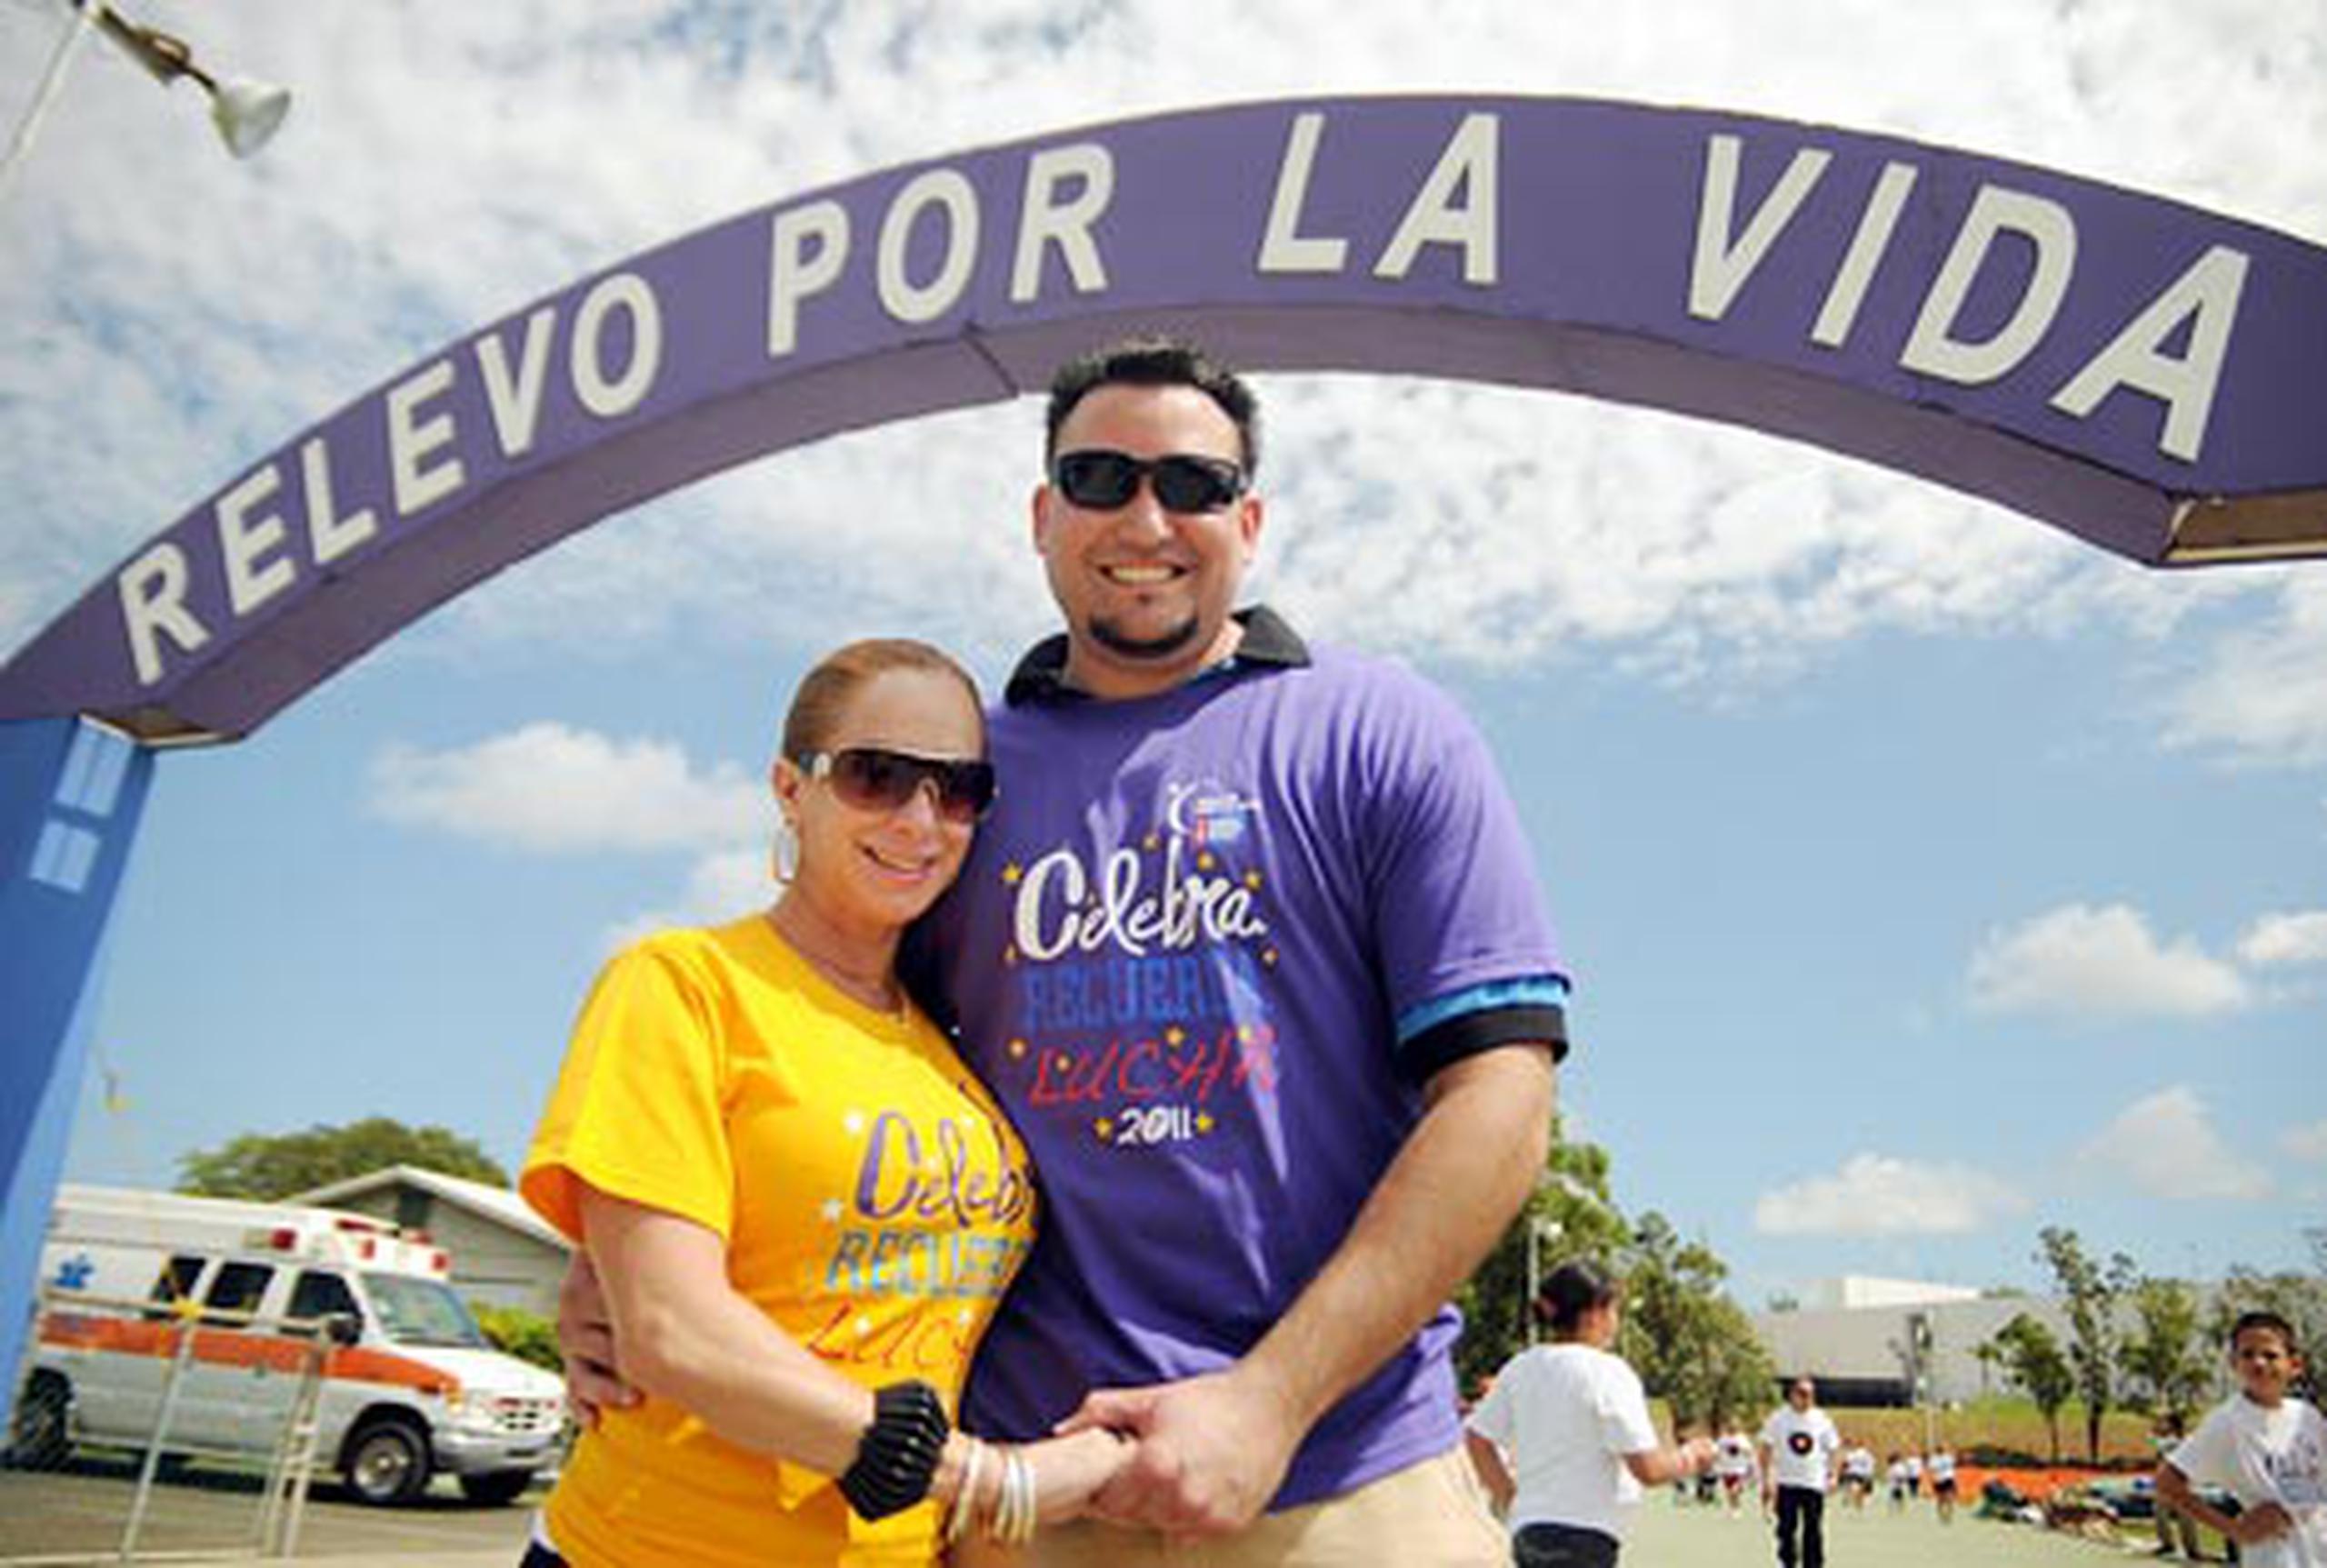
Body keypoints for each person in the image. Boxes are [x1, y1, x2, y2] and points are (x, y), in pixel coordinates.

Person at [563, 337, 1570, 1566]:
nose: (1145, 516)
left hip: (1346, 1471)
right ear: (1043, 516)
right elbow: (802, 1046)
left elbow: (1503, 1095)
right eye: (1100, 478)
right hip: (1030, 1496)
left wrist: (1268, 1400)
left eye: (1192, 485)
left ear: (1248, 521)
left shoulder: (1382, 732)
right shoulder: (952, 777)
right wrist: (621, 1259)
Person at [518, 639, 1129, 1566]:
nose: (920, 822)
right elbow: (670, 1330)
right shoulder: (683, 986)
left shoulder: (952, 1055)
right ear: (790, 789)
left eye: (956, 790)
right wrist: (992, 1481)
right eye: (876, 776)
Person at [1463, 1261, 1717, 1566]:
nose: (1616, 1321)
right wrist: (1691, 1456)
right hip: (1586, 1535)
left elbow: (1477, 1439)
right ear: (1594, 1314)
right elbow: (1649, 1469)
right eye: (1614, 1311)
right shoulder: (1608, 1373)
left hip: (1528, 1531)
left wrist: (1510, 1497)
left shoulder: (1520, 1367)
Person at [2157, 1311, 2327, 1568]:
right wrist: (2235, 1530)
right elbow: (2167, 1482)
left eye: (2270, 1355)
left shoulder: (2308, 1415)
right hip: (2274, 1558)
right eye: (2247, 1354)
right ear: (2233, 1363)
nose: (2259, 1363)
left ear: (2294, 1365)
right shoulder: (2227, 1422)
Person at [1758, 1377, 1841, 1568]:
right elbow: (1765, 1448)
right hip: (1786, 1481)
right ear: (1793, 1395)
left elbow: (1834, 1449)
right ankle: (1787, 1562)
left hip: (1813, 1482)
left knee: (1813, 1528)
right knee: (1786, 1528)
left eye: (1810, 1395)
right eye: (1802, 1394)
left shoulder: (1821, 1420)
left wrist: (1834, 1475)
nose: (1806, 1399)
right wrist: (1767, 1476)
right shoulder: (1778, 1418)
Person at [1715, 1426, 1760, 1515]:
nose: (1732, 1429)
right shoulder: (1723, 1440)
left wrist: (1752, 1466)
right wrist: (1717, 1463)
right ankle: (1732, 1508)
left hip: (1740, 1469)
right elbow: (1717, 1452)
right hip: (1726, 1469)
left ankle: (1737, 1508)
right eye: (1730, 1427)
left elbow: (1749, 1452)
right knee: (1729, 1492)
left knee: (1734, 1490)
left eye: (1734, 1427)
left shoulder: (1742, 1439)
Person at [1926, 1443, 1959, 1523]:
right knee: (1941, 1499)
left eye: (1943, 1448)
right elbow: (1931, 1469)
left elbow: (1954, 1461)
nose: (1943, 1450)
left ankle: (1948, 1514)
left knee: (1949, 1497)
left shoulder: (1947, 1457)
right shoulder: (1934, 1459)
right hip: (1939, 1480)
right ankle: (1942, 1514)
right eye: (1941, 1448)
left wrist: (1954, 1453)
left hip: (1948, 1479)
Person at [1838, 1443, 1874, 1512]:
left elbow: (1845, 1464)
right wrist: (1868, 1478)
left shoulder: (1852, 1454)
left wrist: (1842, 1474)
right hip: (1863, 1475)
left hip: (1852, 1475)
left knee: (1851, 1490)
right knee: (1867, 1492)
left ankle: (1849, 1500)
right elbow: (1870, 1468)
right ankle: (1863, 1506)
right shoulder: (1868, 1456)